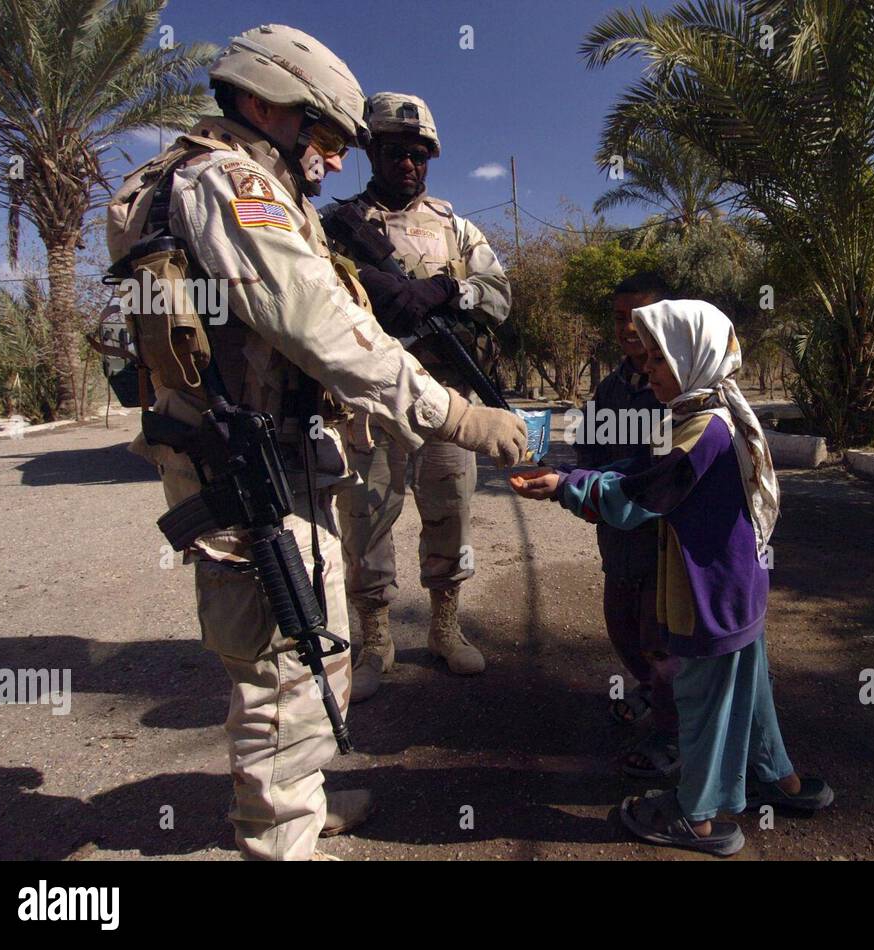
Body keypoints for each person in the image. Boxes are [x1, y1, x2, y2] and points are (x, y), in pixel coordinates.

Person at [108, 26, 526, 861]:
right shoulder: (232, 182)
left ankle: (298, 801)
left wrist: (444, 297)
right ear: (263, 104)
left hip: (269, 457)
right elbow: (321, 326)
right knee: (279, 669)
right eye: (327, 137)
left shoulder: (228, 180)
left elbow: (478, 295)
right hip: (249, 472)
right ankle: (282, 845)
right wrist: (454, 413)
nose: (337, 160)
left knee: (298, 651)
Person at [513, 300, 831, 856]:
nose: (648, 369)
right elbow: (643, 470)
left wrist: (565, 487)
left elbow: (641, 496)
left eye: (660, 358)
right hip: (738, 588)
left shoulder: (703, 428)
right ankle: (780, 780)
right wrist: (574, 475)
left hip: (705, 596)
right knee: (751, 693)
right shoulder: (709, 412)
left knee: (703, 703)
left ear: (692, 355)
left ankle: (698, 818)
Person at [322, 93, 511, 696]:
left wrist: (449, 293)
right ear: (370, 152)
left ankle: (445, 629)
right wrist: (378, 293)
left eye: (420, 155)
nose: (409, 164)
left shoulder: (456, 227)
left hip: (448, 400)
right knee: (368, 518)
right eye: (396, 152)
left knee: (451, 511)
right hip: (372, 401)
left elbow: (499, 296)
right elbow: (314, 297)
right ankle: (375, 641)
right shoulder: (337, 225)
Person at [573, 272, 680, 780]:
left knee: (661, 643)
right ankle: (652, 691)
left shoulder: (684, 390)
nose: (628, 330)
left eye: (639, 319)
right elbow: (589, 452)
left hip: (667, 546)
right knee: (622, 631)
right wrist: (579, 485)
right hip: (618, 539)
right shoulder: (611, 388)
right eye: (620, 319)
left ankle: (673, 737)